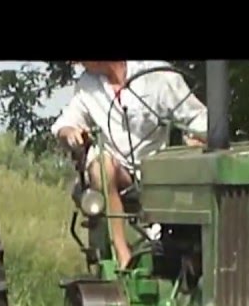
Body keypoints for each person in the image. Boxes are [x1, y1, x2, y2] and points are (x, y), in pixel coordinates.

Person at [52, 60, 207, 269]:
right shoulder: (87, 85)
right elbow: (65, 124)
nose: (77, 64)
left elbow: (198, 118)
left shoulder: (158, 75)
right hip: (118, 174)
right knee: (101, 165)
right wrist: (70, 133)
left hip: (158, 173)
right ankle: (122, 253)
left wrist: (196, 137)